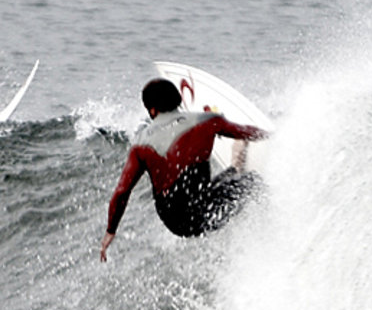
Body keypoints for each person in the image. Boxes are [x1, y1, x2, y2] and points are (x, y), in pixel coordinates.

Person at [99, 78, 268, 261]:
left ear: (152, 110)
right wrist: (274, 135)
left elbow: (122, 192)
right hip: (206, 211)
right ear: (178, 100)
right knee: (253, 181)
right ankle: (272, 223)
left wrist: (110, 231)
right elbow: (245, 131)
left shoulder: (140, 144)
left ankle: (236, 164)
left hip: (176, 222)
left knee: (227, 176)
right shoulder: (209, 121)